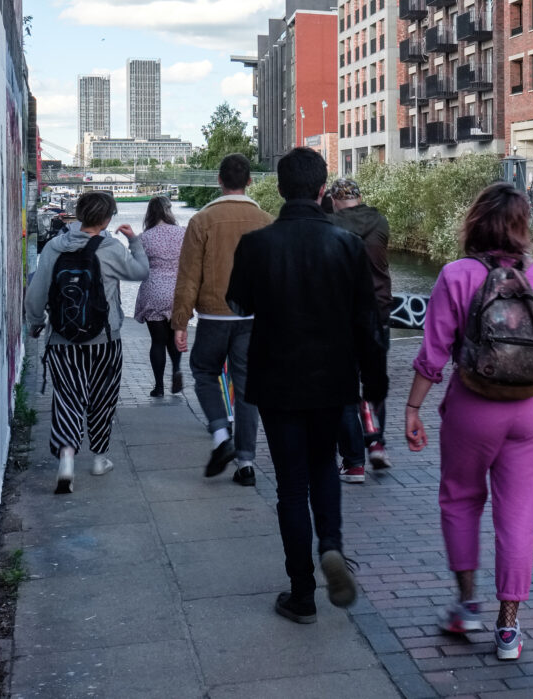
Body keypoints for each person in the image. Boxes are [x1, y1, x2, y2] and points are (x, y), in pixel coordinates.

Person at [402, 181, 533, 662]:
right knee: (518, 517)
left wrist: (413, 408)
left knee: (460, 500)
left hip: (472, 407)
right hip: (529, 412)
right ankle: (508, 628)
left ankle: (465, 604)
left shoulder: (457, 275)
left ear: (475, 223)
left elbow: (434, 353)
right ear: (522, 226)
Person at [226, 147, 387, 625]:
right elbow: (367, 322)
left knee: (291, 486)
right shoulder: (347, 245)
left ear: (279, 189)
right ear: (322, 190)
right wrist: (373, 384)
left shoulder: (256, 244)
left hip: (277, 381)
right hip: (332, 380)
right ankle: (331, 545)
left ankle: (302, 593)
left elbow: (239, 304)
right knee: (323, 469)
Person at [24, 191, 149, 494]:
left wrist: (36, 323)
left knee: (68, 398)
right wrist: (134, 241)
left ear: (79, 214)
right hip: (105, 340)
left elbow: (36, 292)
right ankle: (99, 459)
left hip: (62, 340)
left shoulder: (54, 247)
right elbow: (141, 272)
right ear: (107, 219)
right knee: (102, 398)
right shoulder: (111, 248)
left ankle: (66, 460)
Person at [172, 153, 272, 484]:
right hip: (254, 318)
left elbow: (189, 277)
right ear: (250, 181)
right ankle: (246, 464)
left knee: (204, 372)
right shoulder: (267, 221)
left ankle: (220, 435)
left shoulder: (201, 221)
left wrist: (180, 322)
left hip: (214, 316)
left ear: (219, 181)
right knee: (247, 388)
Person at [327, 176, 394, 482]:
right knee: (374, 382)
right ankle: (376, 442)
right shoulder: (380, 221)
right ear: (359, 197)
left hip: (342, 315)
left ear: (334, 200)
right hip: (378, 311)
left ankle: (354, 462)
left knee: (344, 386)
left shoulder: (328, 225)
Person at [134, 196, 188, 397]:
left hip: (154, 290)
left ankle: (158, 387)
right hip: (177, 291)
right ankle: (176, 370)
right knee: (174, 337)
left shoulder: (144, 237)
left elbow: (138, 266)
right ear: (168, 210)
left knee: (157, 341)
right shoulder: (182, 233)